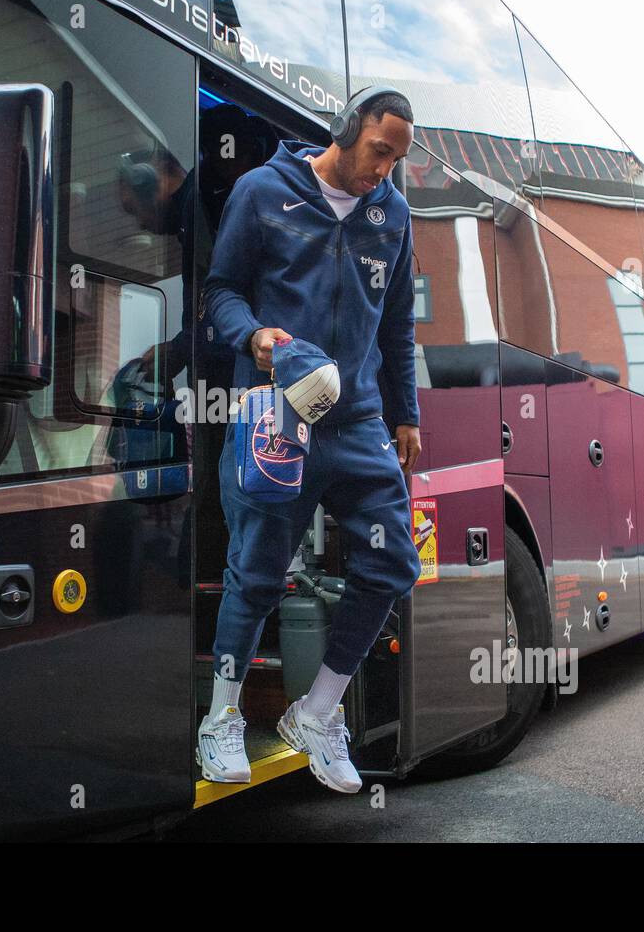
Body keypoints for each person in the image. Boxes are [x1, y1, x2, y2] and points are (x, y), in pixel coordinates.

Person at [198, 87, 422, 793]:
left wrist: (405, 414)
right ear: (345, 130)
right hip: (275, 410)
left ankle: (318, 714)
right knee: (257, 571)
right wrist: (253, 335)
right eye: (380, 151)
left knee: (393, 564)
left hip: (355, 419)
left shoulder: (393, 215)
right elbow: (221, 292)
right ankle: (221, 718)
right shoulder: (265, 191)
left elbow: (398, 324)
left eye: (398, 158)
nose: (385, 169)